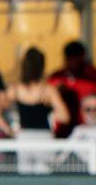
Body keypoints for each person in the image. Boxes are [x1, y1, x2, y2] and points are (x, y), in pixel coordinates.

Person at [7, 46, 69, 174]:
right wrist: (51, 113)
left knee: (25, 182)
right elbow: (65, 117)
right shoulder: (48, 90)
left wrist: (10, 131)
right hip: (43, 138)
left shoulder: (16, 89)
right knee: (45, 182)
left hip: (23, 138)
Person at [48, 41, 96, 137]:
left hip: (88, 130)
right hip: (62, 130)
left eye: (76, 57)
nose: (73, 61)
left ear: (82, 57)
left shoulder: (95, 76)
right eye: (70, 57)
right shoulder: (56, 77)